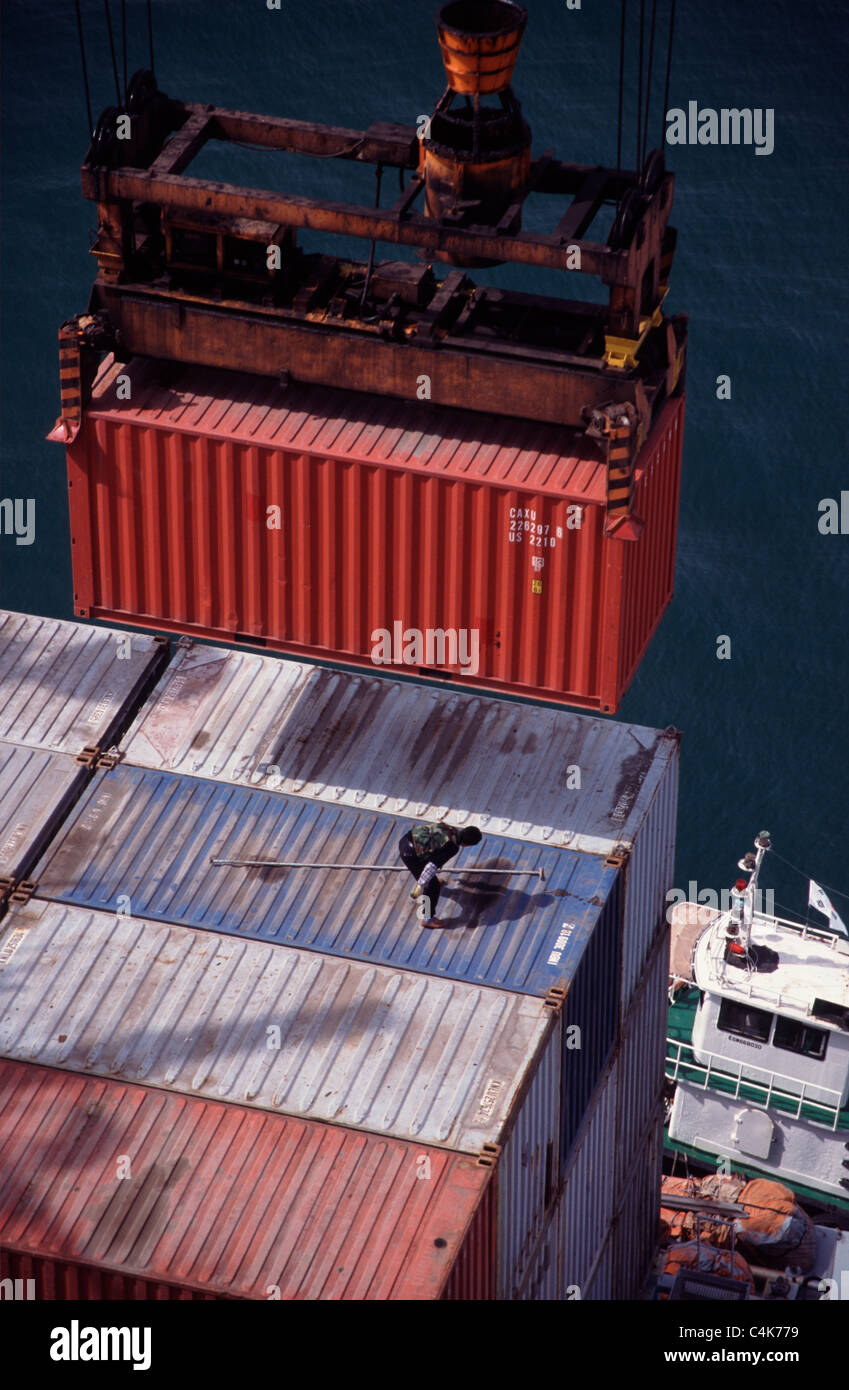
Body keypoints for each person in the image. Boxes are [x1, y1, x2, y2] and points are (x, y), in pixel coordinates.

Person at [398, 822, 483, 925]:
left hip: (406, 840)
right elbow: (432, 866)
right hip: (410, 854)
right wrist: (422, 884)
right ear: (467, 844)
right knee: (433, 887)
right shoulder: (452, 847)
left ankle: (430, 881)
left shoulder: (450, 828)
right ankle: (428, 919)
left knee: (430, 871)